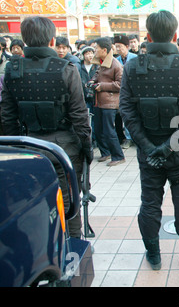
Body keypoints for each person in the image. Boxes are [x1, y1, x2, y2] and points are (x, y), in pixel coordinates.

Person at [119, 10, 179, 271]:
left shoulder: (132, 67)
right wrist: (169, 147)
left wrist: (149, 148)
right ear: (175, 35)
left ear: (147, 35)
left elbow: (127, 112)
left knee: (150, 202)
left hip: (149, 153)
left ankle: (153, 255)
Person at [0, 16, 92, 238]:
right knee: (70, 202)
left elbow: (7, 116)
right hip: (64, 149)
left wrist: (15, 149)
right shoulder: (67, 69)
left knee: (35, 202)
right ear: (52, 41)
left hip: (29, 146)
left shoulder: (12, 70)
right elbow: (79, 115)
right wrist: (87, 147)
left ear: (24, 40)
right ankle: (73, 249)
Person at [90, 37, 125, 166]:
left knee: (109, 131)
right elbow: (97, 76)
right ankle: (105, 152)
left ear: (104, 50)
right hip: (99, 102)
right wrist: (92, 82)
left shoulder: (115, 64)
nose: (94, 51)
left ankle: (118, 156)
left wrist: (102, 86)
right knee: (99, 129)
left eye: (96, 48)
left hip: (109, 103)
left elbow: (121, 84)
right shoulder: (102, 62)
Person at [114, 34, 137, 149]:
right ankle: (128, 138)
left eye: (120, 47)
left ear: (127, 46)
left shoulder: (135, 58)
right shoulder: (115, 60)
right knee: (125, 115)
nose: (118, 49)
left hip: (134, 91)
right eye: (116, 47)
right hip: (122, 92)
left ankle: (136, 137)